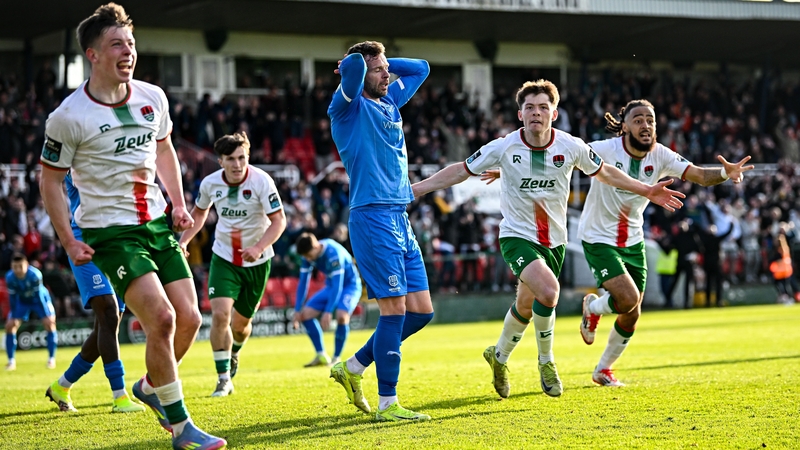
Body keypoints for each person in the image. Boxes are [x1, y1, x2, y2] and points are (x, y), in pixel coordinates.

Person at [413, 80, 685, 399]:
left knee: (527, 306)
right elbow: (461, 170)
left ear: (554, 114)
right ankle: (546, 362)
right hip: (516, 236)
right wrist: (416, 190)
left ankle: (498, 357)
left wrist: (646, 189)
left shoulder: (570, 146)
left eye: (543, 107)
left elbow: (606, 173)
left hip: (554, 241)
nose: (536, 113)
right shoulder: (504, 147)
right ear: (520, 114)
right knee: (549, 291)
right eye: (530, 107)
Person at [38, 4, 225, 449]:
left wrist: (179, 204)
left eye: (131, 43)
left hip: (155, 223)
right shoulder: (68, 117)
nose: (128, 52)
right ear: (93, 55)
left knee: (190, 319)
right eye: (117, 44)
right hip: (110, 232)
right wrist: (68, 238)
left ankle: (148, 388)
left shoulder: (151, 97)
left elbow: (164, 151)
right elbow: (50, 179)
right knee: (160, 318)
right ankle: (182, 430)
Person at [577, 100, 753, 386]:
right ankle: (594, 309)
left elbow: (699, 175)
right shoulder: (604, 149)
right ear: (624, 126)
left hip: (633, 239)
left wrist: (724, 173)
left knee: (632, 314)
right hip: (598, 236)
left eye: (650, 120)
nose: (645, 125)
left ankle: (603, 369)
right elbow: (563, 157)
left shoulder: (661, 155)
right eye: (638, 119)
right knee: (628, 299)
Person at [327, 40, 434, 421]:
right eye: (379, 70)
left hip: (399, 217)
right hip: (371, 217)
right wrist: (354, 64)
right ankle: (388, 403)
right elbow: (355, 69)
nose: (387, 74)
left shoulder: (389, 102)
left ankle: (352, 368)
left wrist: (381, 60)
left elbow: (419, 66)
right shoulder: (346, 108)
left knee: (420, 313)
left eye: (387, 68)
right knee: (394, 311)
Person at [178, 131, 286, 397]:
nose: (238, 165)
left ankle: (234, 352)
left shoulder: (262, 181)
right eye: (231, 159)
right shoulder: (210, 184)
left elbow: (279, 220)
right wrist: (183, 241)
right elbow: (200, 212)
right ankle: (223, 378)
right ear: (220, 161)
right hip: (224, 257)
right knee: (220, 315)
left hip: (258, 261)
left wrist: (259, 247)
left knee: (240, 326)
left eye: (242, 158)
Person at [45, 172, 145, 413]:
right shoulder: (75, 147)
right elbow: (49, 182)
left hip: (117, 241)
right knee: (109, 313)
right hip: (85, 240)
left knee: (106, 324)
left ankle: (62, 386)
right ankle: (119, 396)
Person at [292, 232, 362, 368]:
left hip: (350, 286)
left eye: (309, 255)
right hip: (331, 286)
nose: (308, 259)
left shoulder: (333, 253)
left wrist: (328, 311)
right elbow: (303, 283)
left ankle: (336, 358)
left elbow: (339, 285)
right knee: (305, 315)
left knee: (342, 316)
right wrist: (297, 309)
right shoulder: (308, 255)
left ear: (316, 247)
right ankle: (321, 355)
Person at [4, 253, 57, 371]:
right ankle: (11, 361)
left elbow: (39, 297)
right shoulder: (9, 277)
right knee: (10, 325)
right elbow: (12, 298)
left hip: (39, 300)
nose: (17, 270)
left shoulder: (35, 275)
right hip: (22, 301)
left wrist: (46, 315)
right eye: (14, 267)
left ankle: (51, 359)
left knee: (50, 323)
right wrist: (13, 315)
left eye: (20, 266)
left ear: (27, 265)